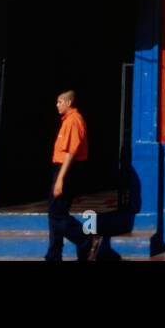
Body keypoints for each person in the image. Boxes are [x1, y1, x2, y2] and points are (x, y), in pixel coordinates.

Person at [45, 90, 103, 262]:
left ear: (69, 102)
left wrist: (60, 179)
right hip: (63, 168)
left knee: (56, 213)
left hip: (66, 169)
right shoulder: (67, 121)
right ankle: (54, 255)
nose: (57, 105)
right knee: (55, 212)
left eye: (59, 102)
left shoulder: (73, 121)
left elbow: (71, 152)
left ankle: (87, 239)